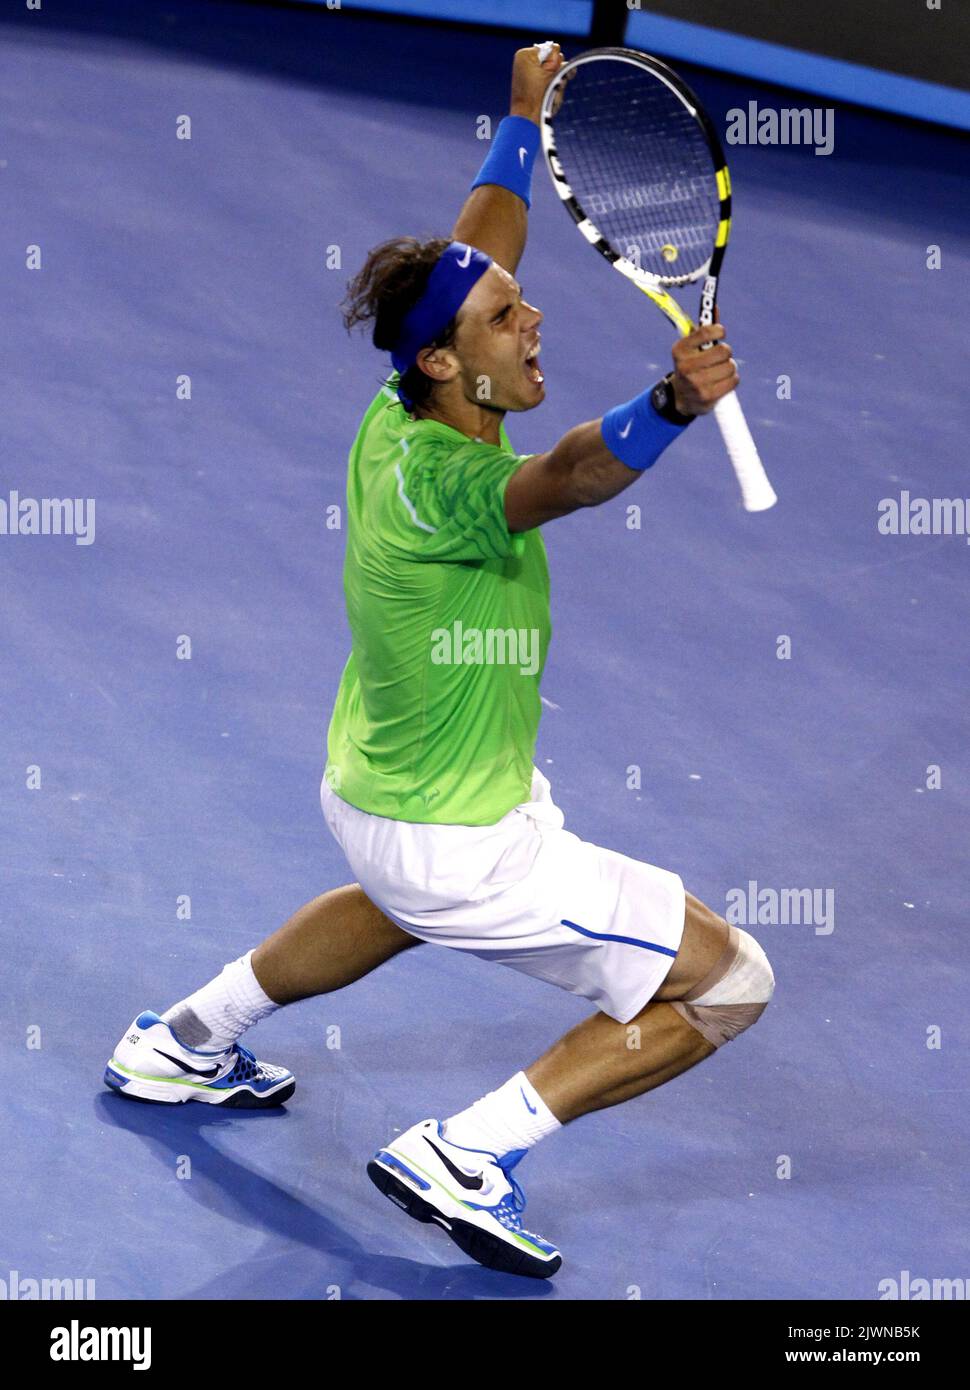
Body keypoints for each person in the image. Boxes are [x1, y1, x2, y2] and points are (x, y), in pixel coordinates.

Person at [105, 42, 773, 1280]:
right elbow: (571, 472)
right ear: (445, 363)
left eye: (519, 302)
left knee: (397, 906)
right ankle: (469, 1149)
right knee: (730, 983)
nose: (531, 316)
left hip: (372, 796)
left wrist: (520, 123)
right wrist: (669, 409)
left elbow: (480, 238)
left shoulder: (396, 407)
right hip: (469, 844)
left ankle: (187, 1038)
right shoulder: (460, 485)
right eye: (504, 319)